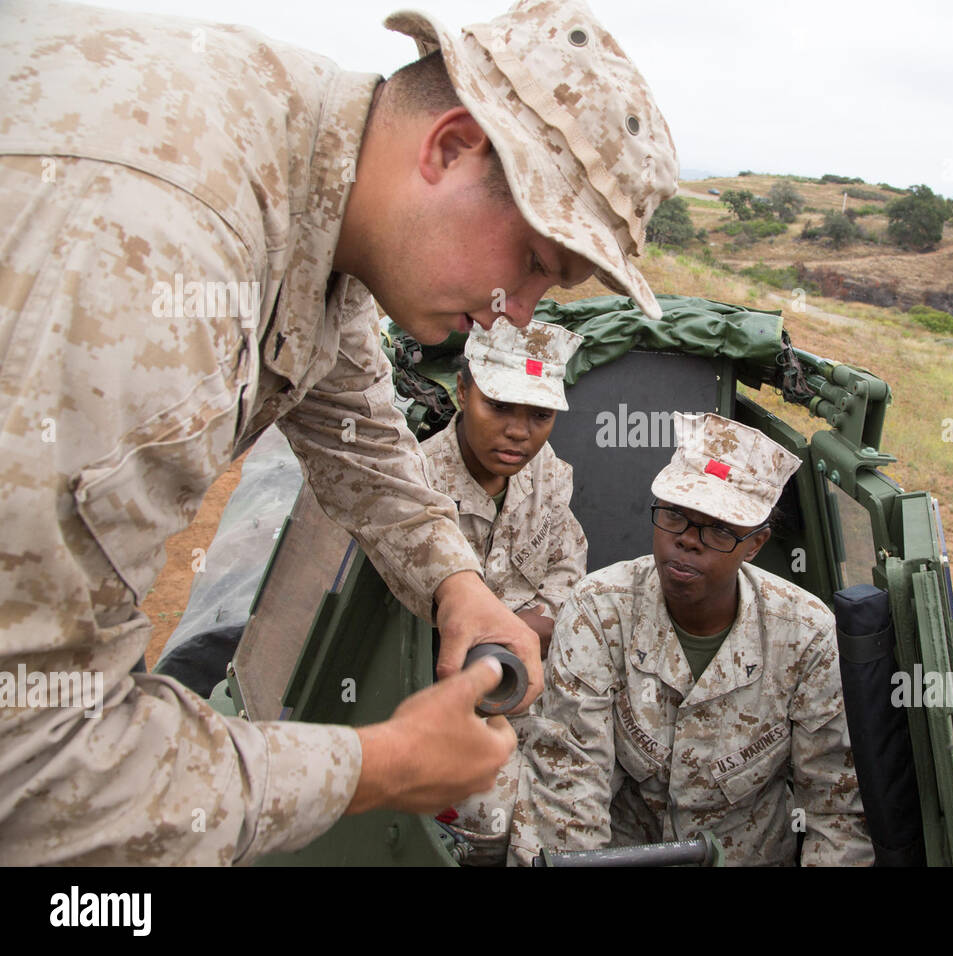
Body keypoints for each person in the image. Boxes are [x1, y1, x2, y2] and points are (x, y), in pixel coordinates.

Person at [0, 0, 678, 864]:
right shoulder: (153, 272)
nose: (517, 316)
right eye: (534, 265)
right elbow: (37, 765)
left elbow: (352, 416)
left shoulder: (321, 171)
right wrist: (383, 766)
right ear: (452, 146)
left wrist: (456, 585)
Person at [510, 412, 873, 866]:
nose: (688, 541)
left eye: (720, 529)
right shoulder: (599, 611)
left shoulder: (806, 636)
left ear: (755, 544)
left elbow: (836, 809)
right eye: (675, 517)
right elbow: (568, 789)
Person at [422, 317, 587, 864]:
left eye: (540, 415)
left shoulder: (549, 475)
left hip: (536, 683)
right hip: (442, 700)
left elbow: (568, 568)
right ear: (463, 392)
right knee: (489, 826)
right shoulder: (412, 485)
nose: (520, 432)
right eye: (499, 407)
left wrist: (533, 622)